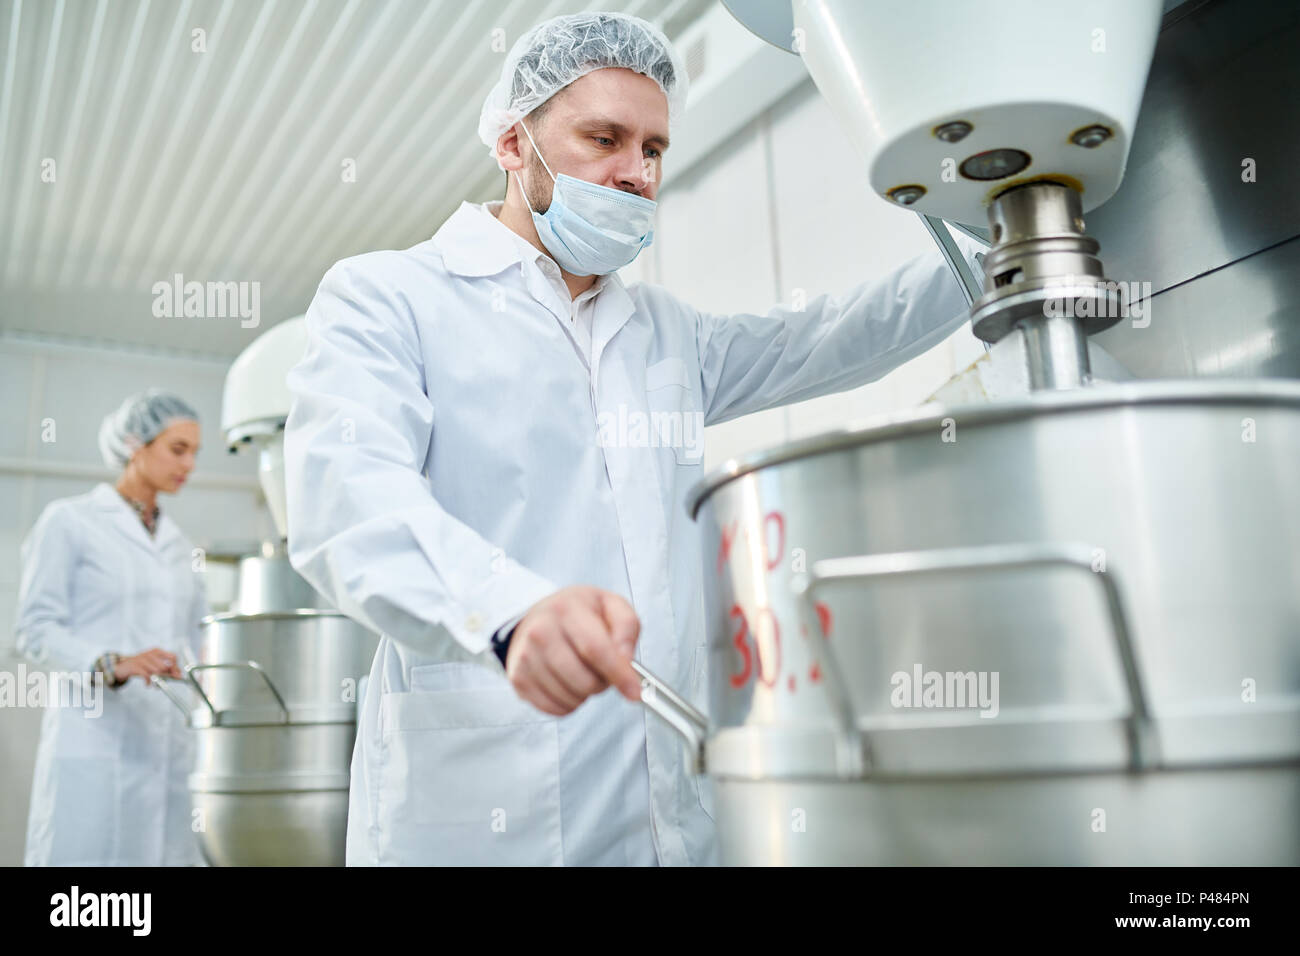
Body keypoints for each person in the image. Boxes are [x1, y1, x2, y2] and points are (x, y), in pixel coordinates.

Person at [284, 11, 984, 866]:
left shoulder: (664, 333)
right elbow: (346, 501)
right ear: (513, 144)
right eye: (603, 138)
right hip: (478, 814)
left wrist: (998, 244)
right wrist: (508, 610)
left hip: (665, 812)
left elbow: (832, 339)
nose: (635, 173)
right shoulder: (392, 297)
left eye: (651, 148)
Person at [16, 389, 209, 866]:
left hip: (167, 741)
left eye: (195, 453)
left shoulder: (183, 548)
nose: (188, 465)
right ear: (134, 444)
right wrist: (111, 663)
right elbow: (34, 629)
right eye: (177, 449)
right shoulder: (71, 522)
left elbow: (196, 641)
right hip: (94, 735)